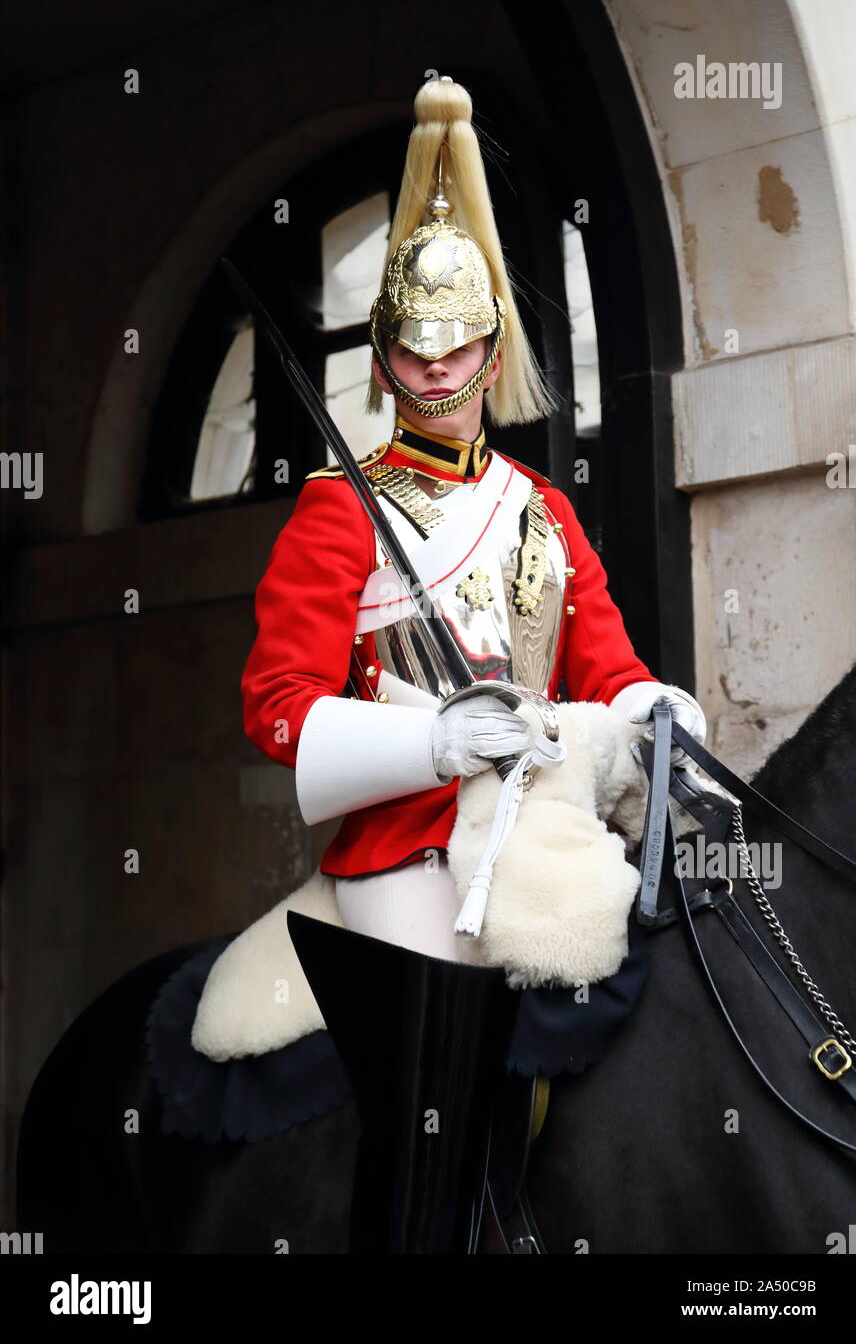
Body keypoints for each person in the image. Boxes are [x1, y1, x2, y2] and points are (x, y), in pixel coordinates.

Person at [240, 77, 707, 1253]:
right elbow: (277, 708)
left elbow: (607, 667)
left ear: (493, 351)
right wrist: (433, 740)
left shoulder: (541, 506)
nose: (438, 369)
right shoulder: (338, 510)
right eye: (412, 347)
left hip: (542, 824)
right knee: (437, 1061)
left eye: (458, 348)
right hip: (405, 844)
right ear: (383, 356)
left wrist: (659, 710)